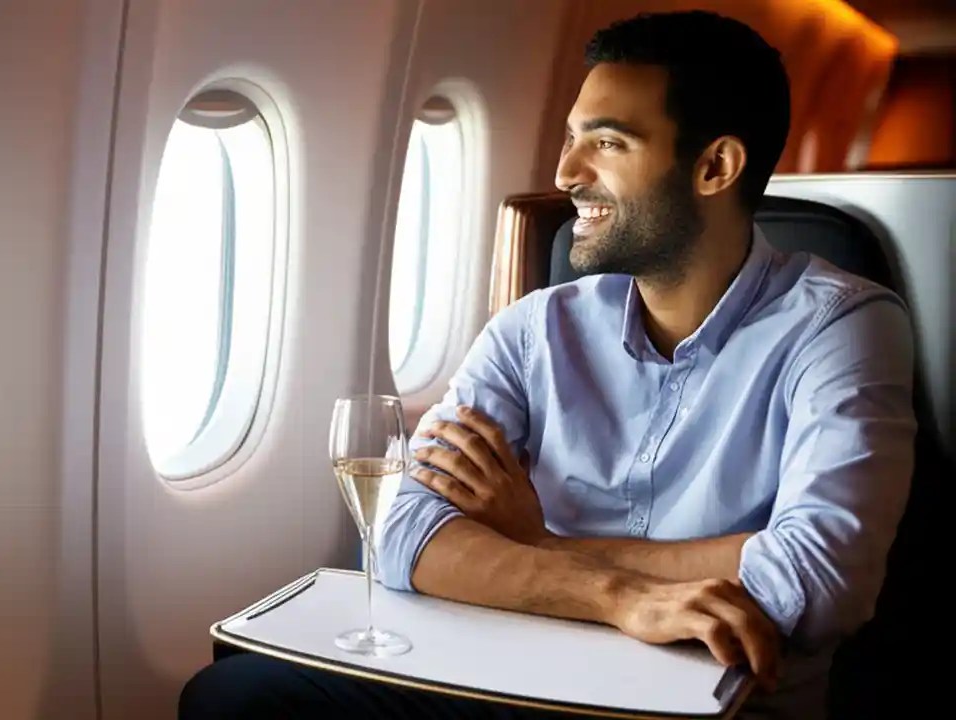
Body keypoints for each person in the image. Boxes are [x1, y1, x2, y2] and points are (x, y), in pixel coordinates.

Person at [179, 10, 916, 720]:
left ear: (715, 166)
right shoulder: (535, 328)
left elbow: (817, 583)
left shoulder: (840, 325)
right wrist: (616, 594)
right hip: (512, 680)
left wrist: (537, 542)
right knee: (236, 695)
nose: (565, 171)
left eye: (608, 142)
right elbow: (401, 533)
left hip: (706, 706)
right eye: (570, 138)